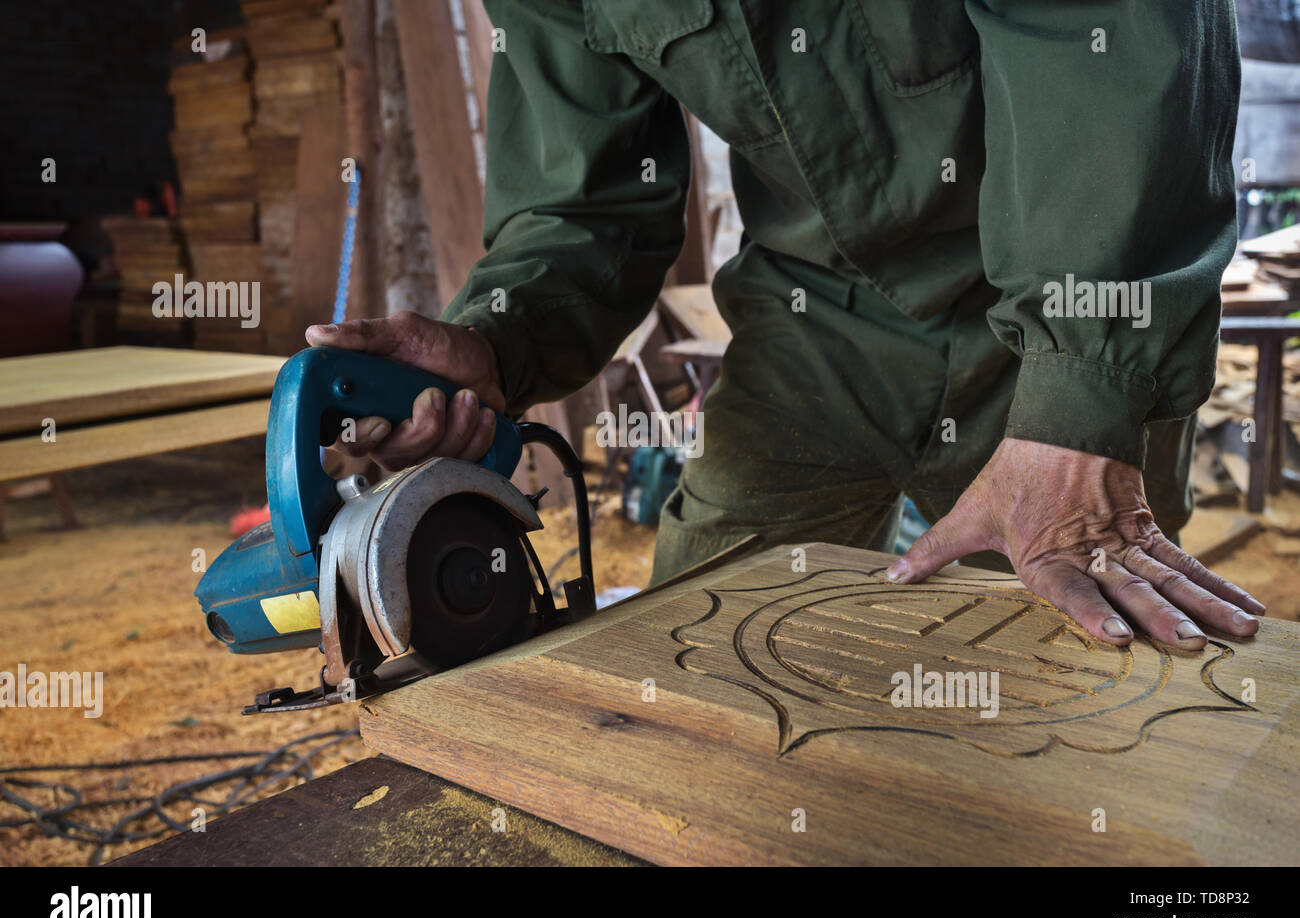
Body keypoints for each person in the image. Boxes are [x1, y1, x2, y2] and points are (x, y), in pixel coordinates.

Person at [309, 0, 1265, 650]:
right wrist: (496, 340)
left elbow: (1110, 30)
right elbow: (585, 198)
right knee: (694, 656)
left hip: (1064, 296)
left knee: (1087, 699)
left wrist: (1083, 396)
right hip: (814, 313)